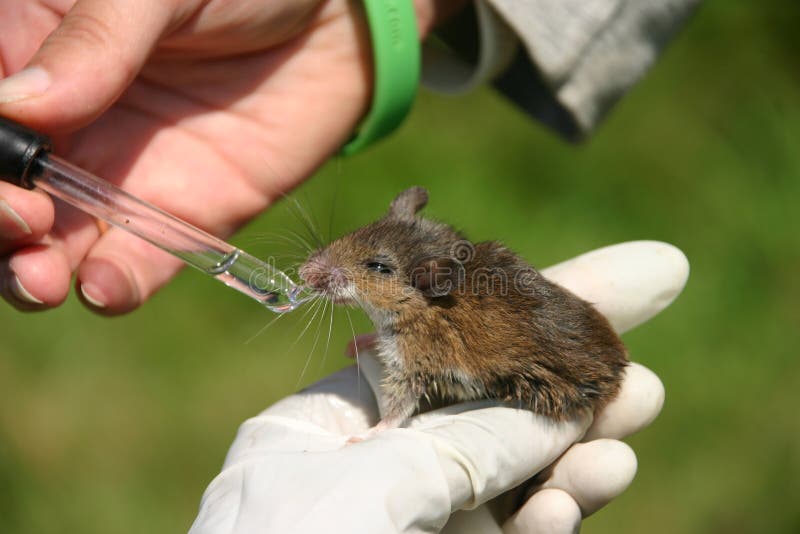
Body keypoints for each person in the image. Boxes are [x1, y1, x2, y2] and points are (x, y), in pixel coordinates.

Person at [0, 1, 697, 532]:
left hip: (556, 385)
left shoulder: (429, 323)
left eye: (371, 271)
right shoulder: (421, 295)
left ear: (430, 285)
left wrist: (385, 431)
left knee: (510, 446)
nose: (320, 271)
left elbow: (412, 378)